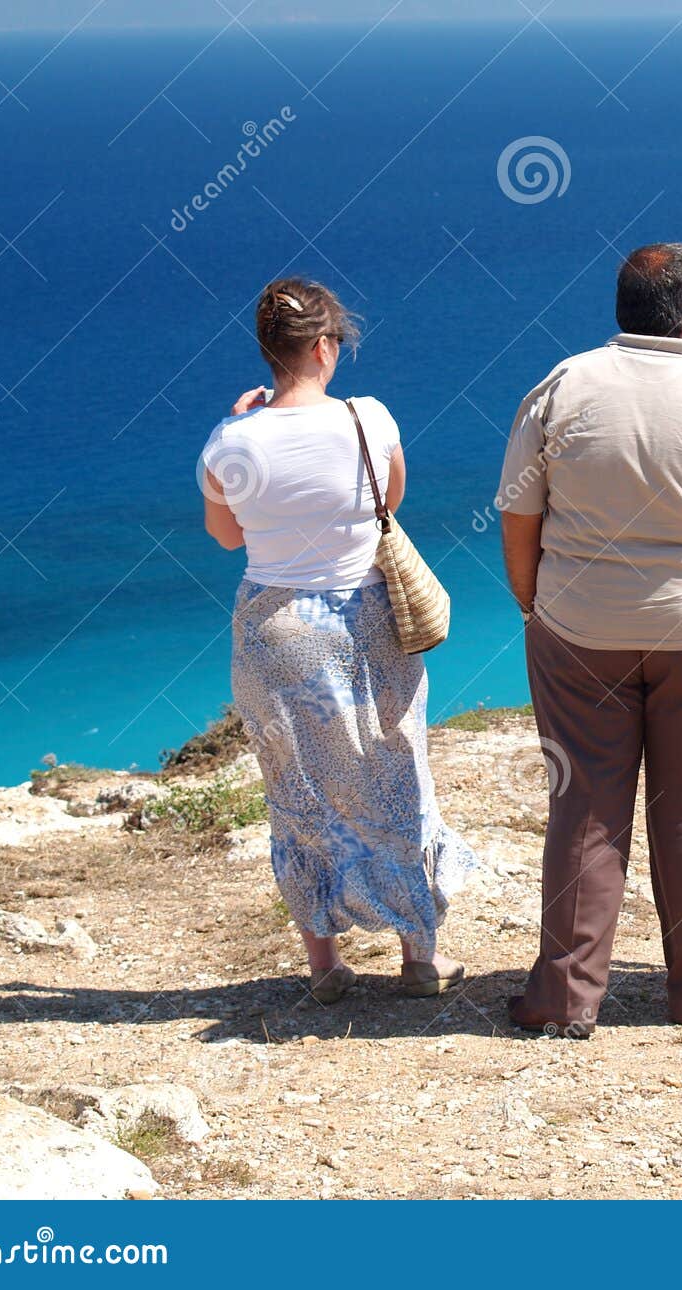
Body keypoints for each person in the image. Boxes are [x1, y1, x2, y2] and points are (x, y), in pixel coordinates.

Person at [495, 243, 682, 1036]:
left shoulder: (560, 386)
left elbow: (520, 513)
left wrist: (534, 604)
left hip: (578, 626)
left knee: (584, 806)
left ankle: (564, 998)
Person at [201, 277, 476, 1005]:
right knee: (399, 770)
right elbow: (389, 501)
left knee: (295, 791)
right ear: (324, 347)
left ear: (268, 351)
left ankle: (324, 966)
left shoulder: (229, 442)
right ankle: (420, 955)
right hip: (367, 619)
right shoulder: (368, 419)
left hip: (275, 629)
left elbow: (227, 535)